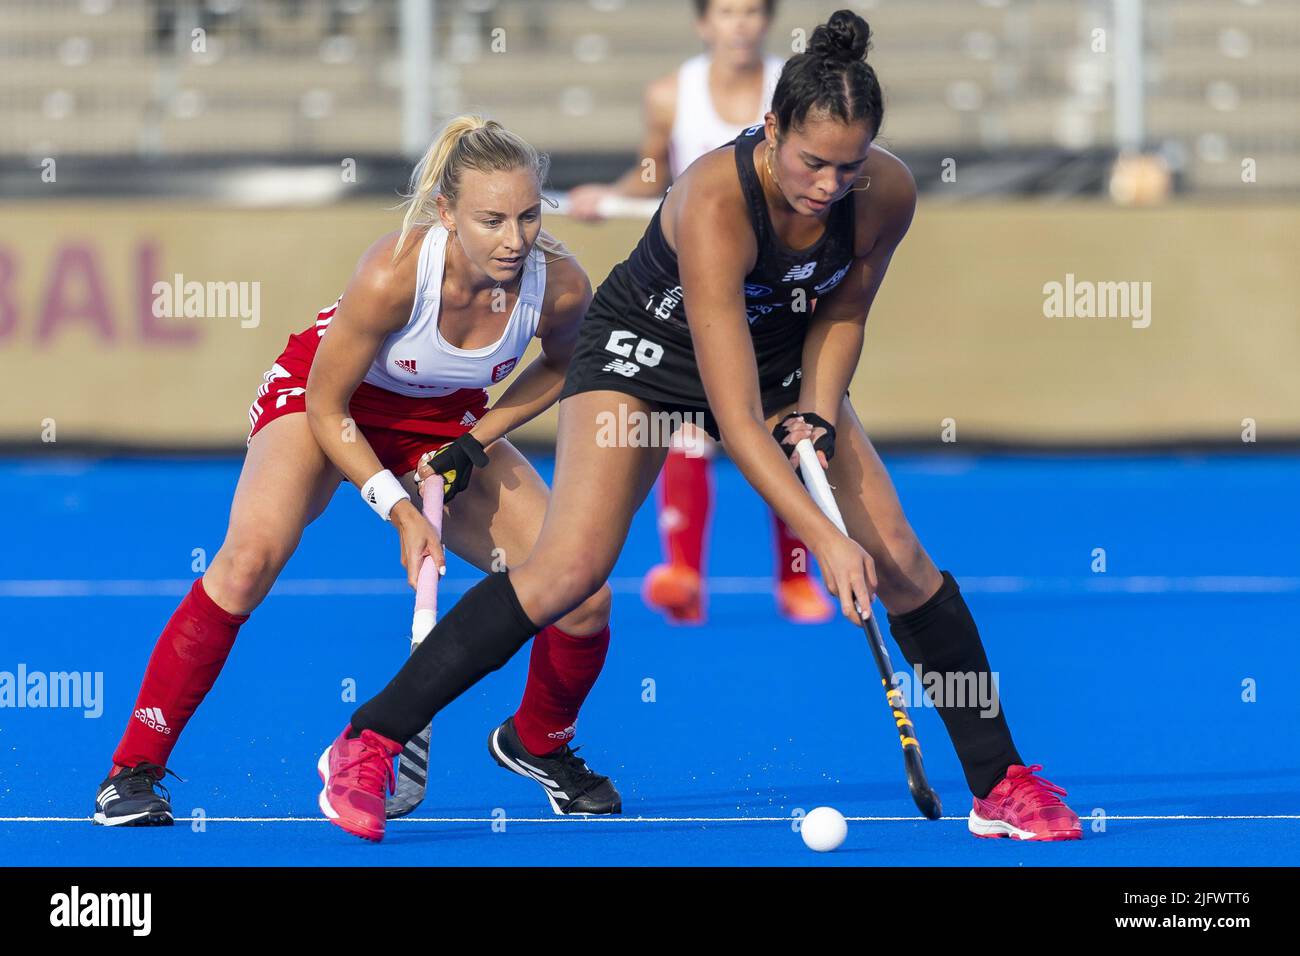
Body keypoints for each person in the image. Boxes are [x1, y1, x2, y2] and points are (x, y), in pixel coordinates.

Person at [321, 10, 1081, 844]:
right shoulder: (716, 200)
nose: (829, 184)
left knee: (900, 558)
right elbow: (732, 414)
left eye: (848, 165)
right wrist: (821, 539)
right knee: (568, 569)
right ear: (770, 128)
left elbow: (845, 311)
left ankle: (1000, 781)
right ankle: (369, 741)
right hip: (647, 354)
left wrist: (820, 416)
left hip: (783, 359)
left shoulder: (885, 194)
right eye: (811, 162)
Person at [95, 116, 621, 831]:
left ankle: (537, 742)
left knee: (583, 589)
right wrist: (399, 511)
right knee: (248, 561)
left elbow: (564, 364)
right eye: (492, 219)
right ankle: (133, 769)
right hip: (324, 402)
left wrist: (476, 439)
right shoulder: (395, 272)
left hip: (442, 423)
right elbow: (327, 403)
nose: (515, 238)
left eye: (529, 215)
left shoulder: (557, 287)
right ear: (447, 213)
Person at [569, 0, 832, 625]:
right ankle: (683, 570)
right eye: (726, 12)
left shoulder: (791, 92)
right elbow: (653, 172)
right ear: (703, 24)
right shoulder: (670, 94)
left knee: (785, 427)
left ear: (766, 21)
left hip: (772, 293)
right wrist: (608, 196)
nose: (738, 24)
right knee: (686, 424)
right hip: (697, 290)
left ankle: (796, 581)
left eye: (749, 12)